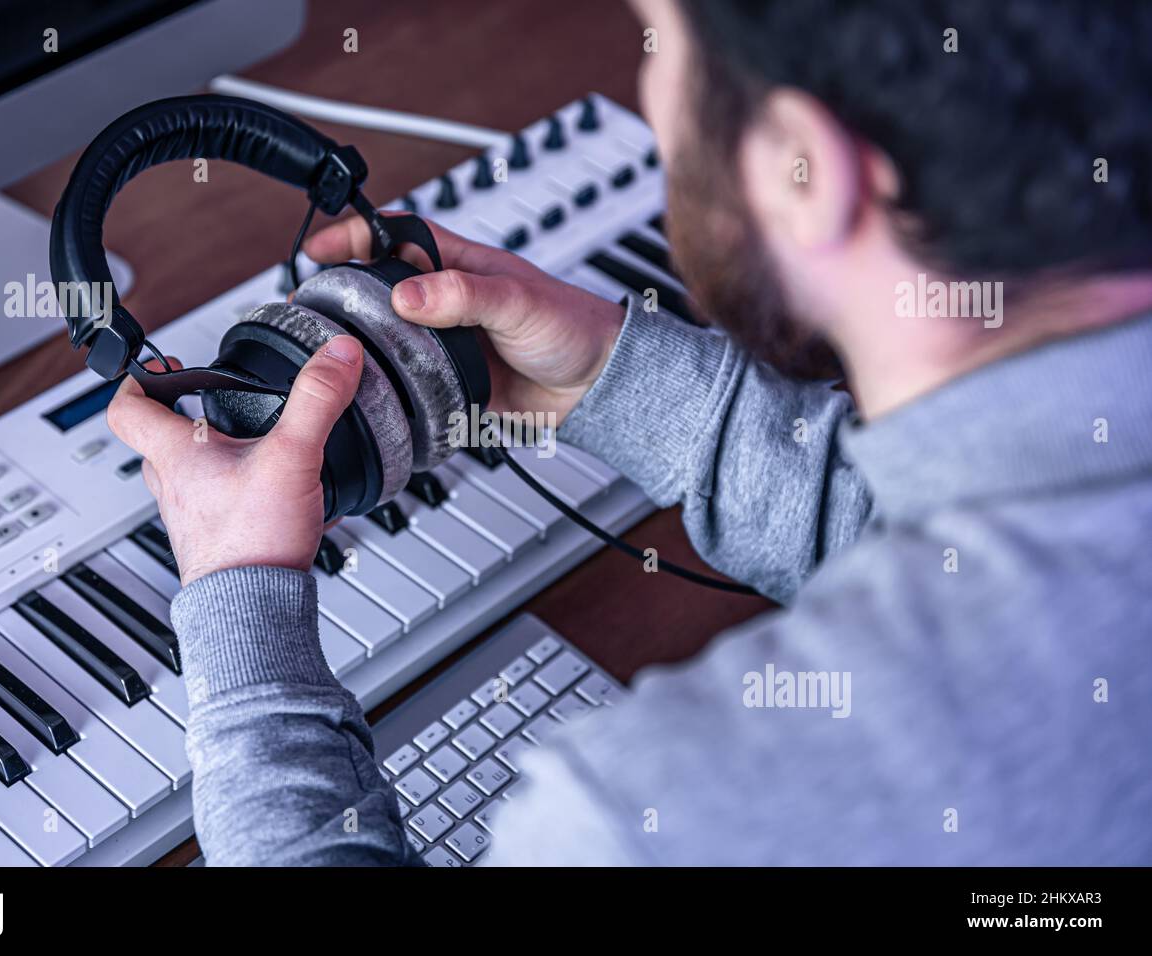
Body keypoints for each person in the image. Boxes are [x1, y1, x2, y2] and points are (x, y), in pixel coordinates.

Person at [105, 0, 1152, 865]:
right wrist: (615, 376)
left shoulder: (647, 816)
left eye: (660, 41)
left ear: (805, 169)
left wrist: (241, 609)